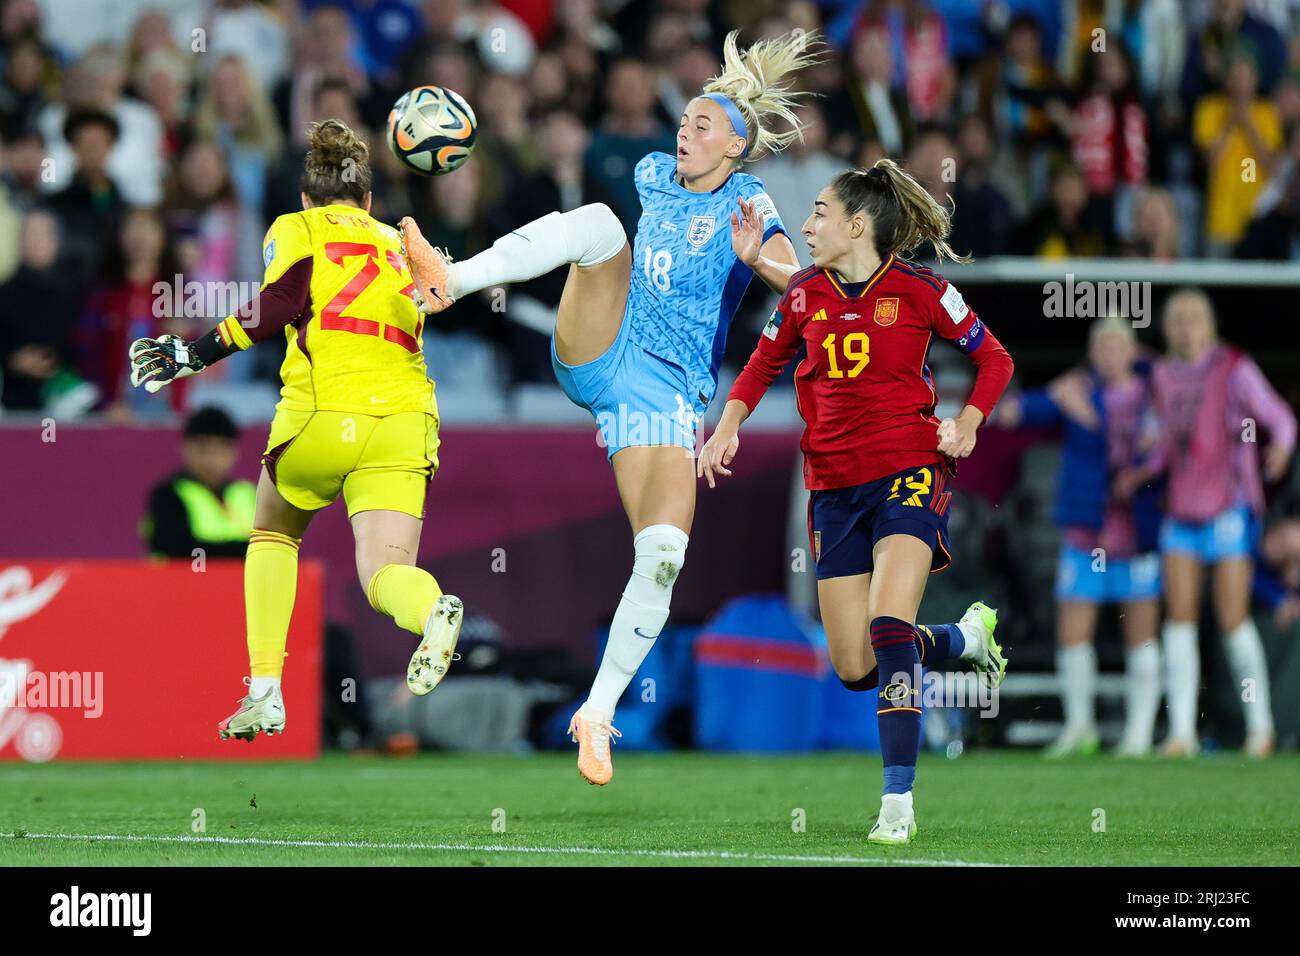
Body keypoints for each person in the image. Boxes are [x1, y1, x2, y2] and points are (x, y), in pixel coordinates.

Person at [402, 30, 818, 785]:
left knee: (662, 557)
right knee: (599, 224)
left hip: (665, 395)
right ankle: (450, 277)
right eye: (684, 119)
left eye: (702, 124)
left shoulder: (748, 199)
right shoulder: (654, 173)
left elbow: (807, 290)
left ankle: (596, 714)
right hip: (603, 347)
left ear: (734, 146)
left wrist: (763, 260)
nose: (684, 132)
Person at [698, 161, 1015, 844]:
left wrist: (967, 423)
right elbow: (761, 363)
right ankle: (963, 639)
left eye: (817, 212)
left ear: (857, 224)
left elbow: (997, 359)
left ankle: (897, 800)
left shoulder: (923, 290)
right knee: (853, 665)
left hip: (910, 471)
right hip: (832, 489)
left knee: (888, 624)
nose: (806, 225)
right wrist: (726, 427)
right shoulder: (806, 293)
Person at [126, 119, 464, 742]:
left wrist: (195, 353)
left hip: (325, 411)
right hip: (407, 420)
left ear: (306, 198)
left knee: (273, 532)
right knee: (384, 574)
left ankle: (263, 691)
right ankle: (429, 611)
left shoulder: (297, 227)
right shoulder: (396, 240)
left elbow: (281, 301)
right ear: (367, 200)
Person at [1117, 289, 1296, 758]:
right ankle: (1182, 734)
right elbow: (1161, 446)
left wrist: (1279, 446)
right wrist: (1139, 468)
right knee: (1179, 622)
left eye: (1194, 318)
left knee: (1232, 619)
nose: (1184, 327)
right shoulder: (1159, 375)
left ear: (1210, 325)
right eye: (1176, 319)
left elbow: (1280, 418)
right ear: (1166, 328)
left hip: (1229, 509)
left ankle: (1261, 729)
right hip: (1181, 511)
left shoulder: (1234, 366)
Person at [996, 317, 1164, 757]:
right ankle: (1080, 727)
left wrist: (1092, 418)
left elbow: (1158, 450)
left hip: (1137, 534)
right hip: (1085, 533)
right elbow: (1016, 411)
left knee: (1142, 635)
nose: (1109, 355)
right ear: (1092, 354)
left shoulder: (1155, 395)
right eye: (1101, 348)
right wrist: (1005, 401)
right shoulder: (1077, 392)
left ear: (1132, 352)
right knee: (1073, 633)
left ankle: (1139, 735)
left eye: (1117, 347)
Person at [141, 406, 256, 560]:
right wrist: (245, 552)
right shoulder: (168, 494)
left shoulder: (249, 493)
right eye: (203, 449)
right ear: (185, 448)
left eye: (221, 449)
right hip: (186, 581)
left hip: (241, 583)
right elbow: (180, 551)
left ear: (234, 452)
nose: (212, 460)